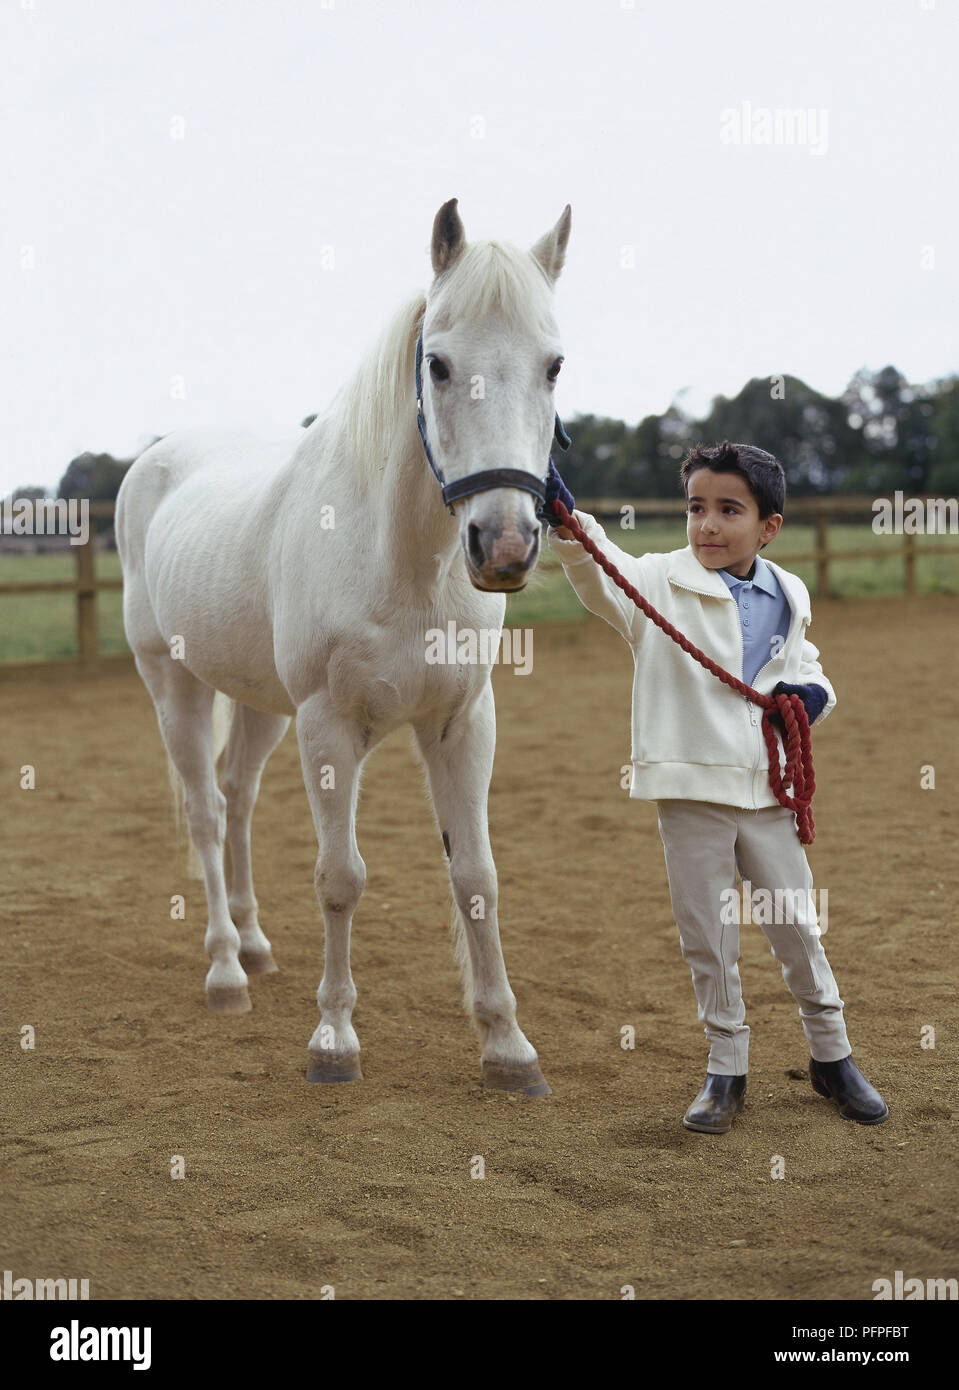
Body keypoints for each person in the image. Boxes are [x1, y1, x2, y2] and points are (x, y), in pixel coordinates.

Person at [542, 441, 888, 1133]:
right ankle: (725, 1068)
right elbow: (595, 566)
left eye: (728, 510)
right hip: (691, 792)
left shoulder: (789, 590)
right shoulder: (655, 582)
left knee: (796, 924)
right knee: (708, 936)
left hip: (768, 793)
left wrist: (811, 696)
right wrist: (562, 517)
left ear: (768, 526)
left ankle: (832, 1055)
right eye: (696, 507)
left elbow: (806, 665)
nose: (706, 524)